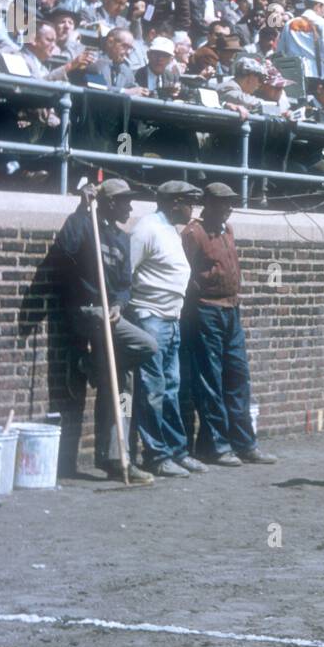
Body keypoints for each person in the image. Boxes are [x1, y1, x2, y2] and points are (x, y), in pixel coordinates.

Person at [54, 180, 158, 483]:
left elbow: (125, 286)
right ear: (110, 202)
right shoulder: (88, 226)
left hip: (109, 315)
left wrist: (119, 305)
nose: (130, 207)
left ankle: (116, 457)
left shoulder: (122, 239)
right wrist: (81, 207)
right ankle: (96, 366)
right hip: (88, 309)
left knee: (123, 384)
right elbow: (65, 248)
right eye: (125, 201)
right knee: (147, 344)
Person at [181, 183, 276, 466]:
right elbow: (182, 273)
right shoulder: (194, 233)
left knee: (238, 377)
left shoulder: (228, 230)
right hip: (205, 311)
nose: (228, 208)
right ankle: (215, 446)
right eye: (223, 203)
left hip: (231, 309)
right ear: (208, 203)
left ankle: (244, 442)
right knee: (210, 379)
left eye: (231, 203)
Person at [127, 180, 205, 478]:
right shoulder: (146, 229)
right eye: (189, 203)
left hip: (171, 320)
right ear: (174, 203)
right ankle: (156, 455)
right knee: (152, 389)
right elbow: (127, 274)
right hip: (150, 319)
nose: (192, 209)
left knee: (171, 387)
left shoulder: (171, 230)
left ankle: (176, 451)